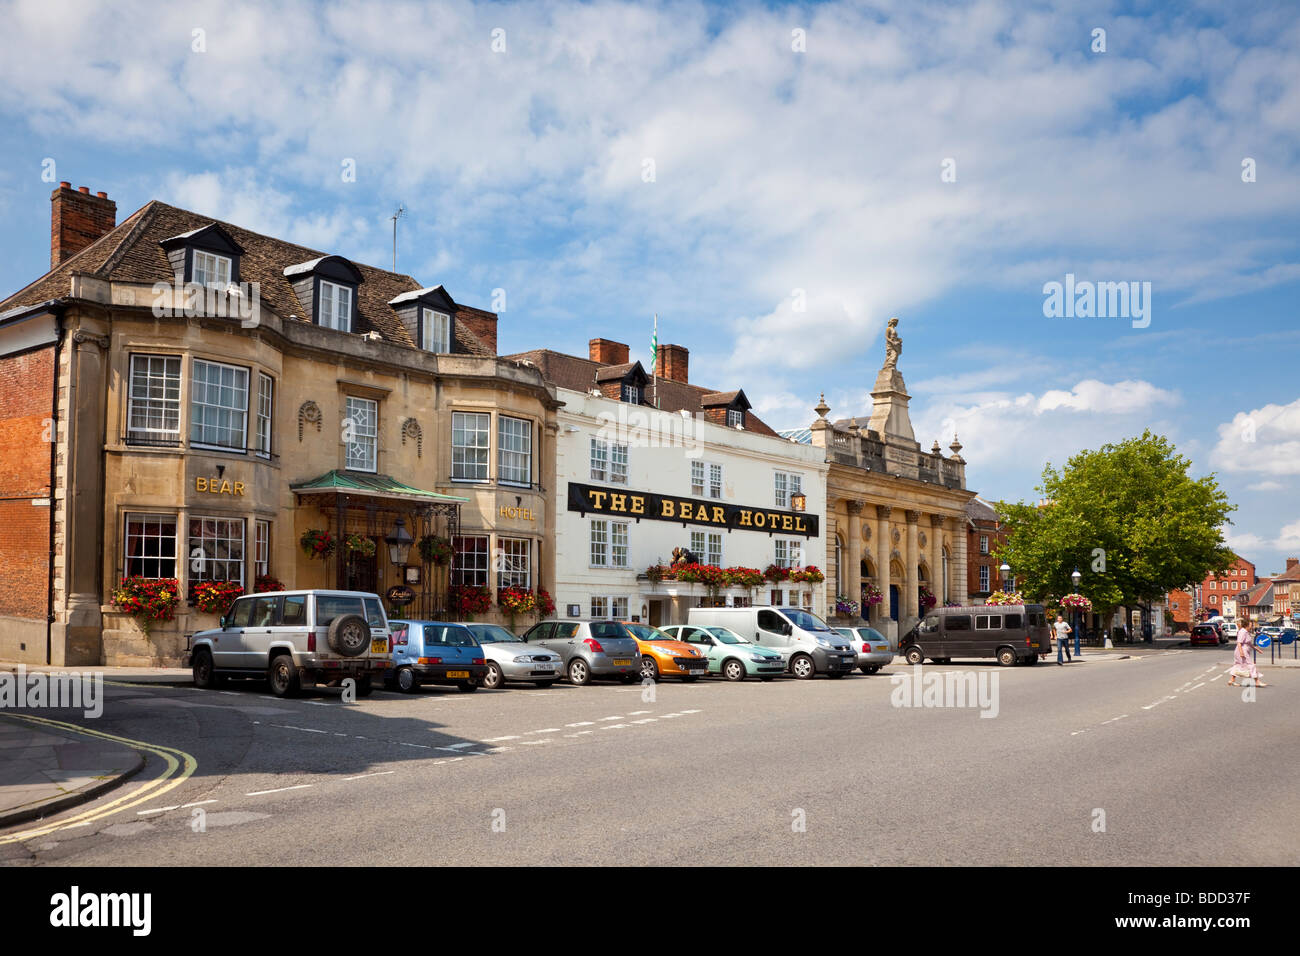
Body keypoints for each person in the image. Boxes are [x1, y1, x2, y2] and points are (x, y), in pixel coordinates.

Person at [1228, 621, 1268, 688]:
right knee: (1250, 665)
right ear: (1246, 625)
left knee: (1238, 665)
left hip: (1244, 650)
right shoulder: (1243, 632)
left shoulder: (1246, 632)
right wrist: (1241, 653)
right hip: (1242, 651)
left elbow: (1249, 643)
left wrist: (1257, 649)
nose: (1252, 626)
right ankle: (1257, 682)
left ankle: (1232, 680)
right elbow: (1239, 643)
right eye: (1251, 625)